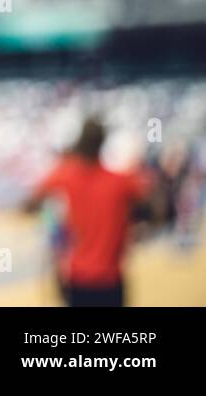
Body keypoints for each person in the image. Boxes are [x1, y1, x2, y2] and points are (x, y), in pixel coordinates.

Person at [21, 117, 153, 307]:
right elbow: (151, 206)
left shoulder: (65, 175)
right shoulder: (122, 182)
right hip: (111, 280)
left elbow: (28, 205)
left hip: (78, 279)